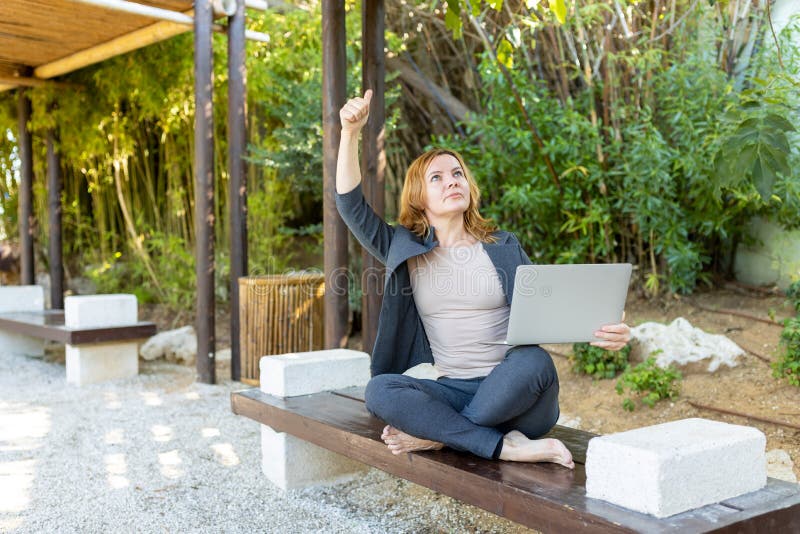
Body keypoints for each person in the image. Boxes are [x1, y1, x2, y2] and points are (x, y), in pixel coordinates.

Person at [335, 90, 630, 467]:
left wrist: (604, 328)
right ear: (419, 197)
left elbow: (550, 309)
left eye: (457, 173)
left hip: (517, 394)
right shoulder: (403, 248)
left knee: (535, 360)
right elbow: (350, 205)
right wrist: (350, 133)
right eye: (437, 177)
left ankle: (441, 437)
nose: (452, 181)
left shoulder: (502, 245)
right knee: (379, 390)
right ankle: (505, 446)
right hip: (454, 391)